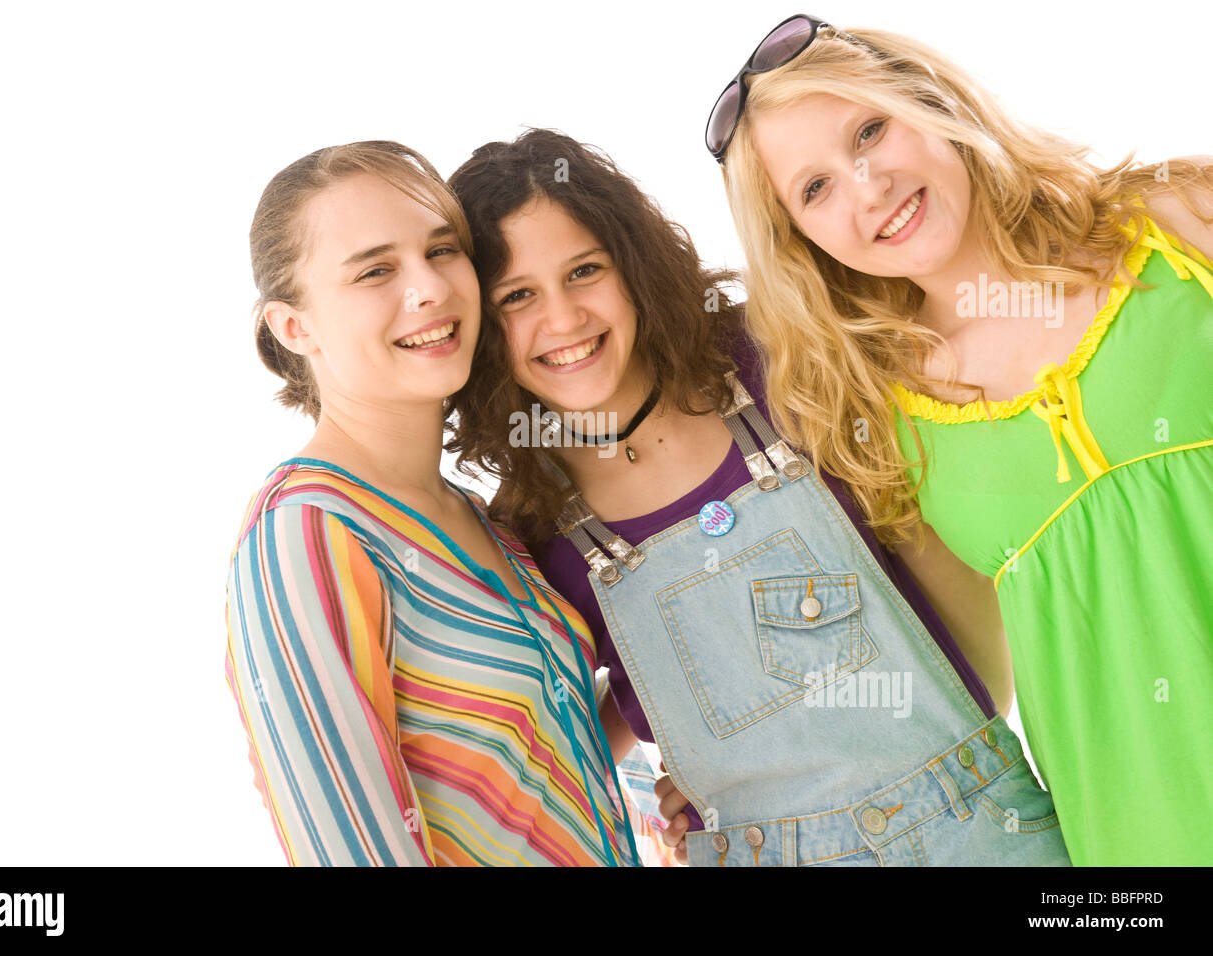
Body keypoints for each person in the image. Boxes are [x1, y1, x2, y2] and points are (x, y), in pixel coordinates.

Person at [446, 128, 1071, 866]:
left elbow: (939, 537)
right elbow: (586, 716)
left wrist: (969, 733)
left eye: (585, 270)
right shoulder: (531, 523)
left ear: (635, 265)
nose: (564, 318)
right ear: (479, 328)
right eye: (517, 296)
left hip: (979, 823)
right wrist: (672, 788)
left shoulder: (778, 357)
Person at [711, 14, 1213, 865]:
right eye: (816, 189)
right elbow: (964, 690)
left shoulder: (1175, 217)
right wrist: (736, 772)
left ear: (929, 98)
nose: (868, 188)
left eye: (870, 130)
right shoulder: (892, 427)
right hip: (1138, 848)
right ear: (801, 240)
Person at [224, 140, 656, 866]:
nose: (429, 288)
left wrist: (658, 793)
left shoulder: (486, 520)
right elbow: (352, 847)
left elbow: (534, 755)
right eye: (375, 271)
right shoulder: (305, 534)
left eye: (442, 250)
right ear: (295, 327)